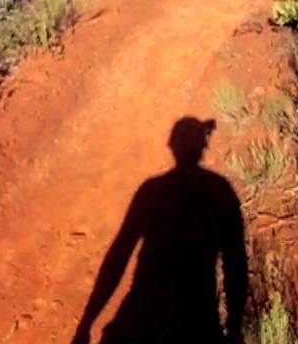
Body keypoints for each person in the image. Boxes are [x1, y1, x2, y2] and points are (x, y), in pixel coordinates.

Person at [72, 117, 247, 344]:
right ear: (203, 148)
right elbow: (236, 265)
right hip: (196, 321)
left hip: (142, 317)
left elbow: (118, 256)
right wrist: (234, 328)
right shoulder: (220, 191)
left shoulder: (152, 191)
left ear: (171, 146)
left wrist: (87, 321)